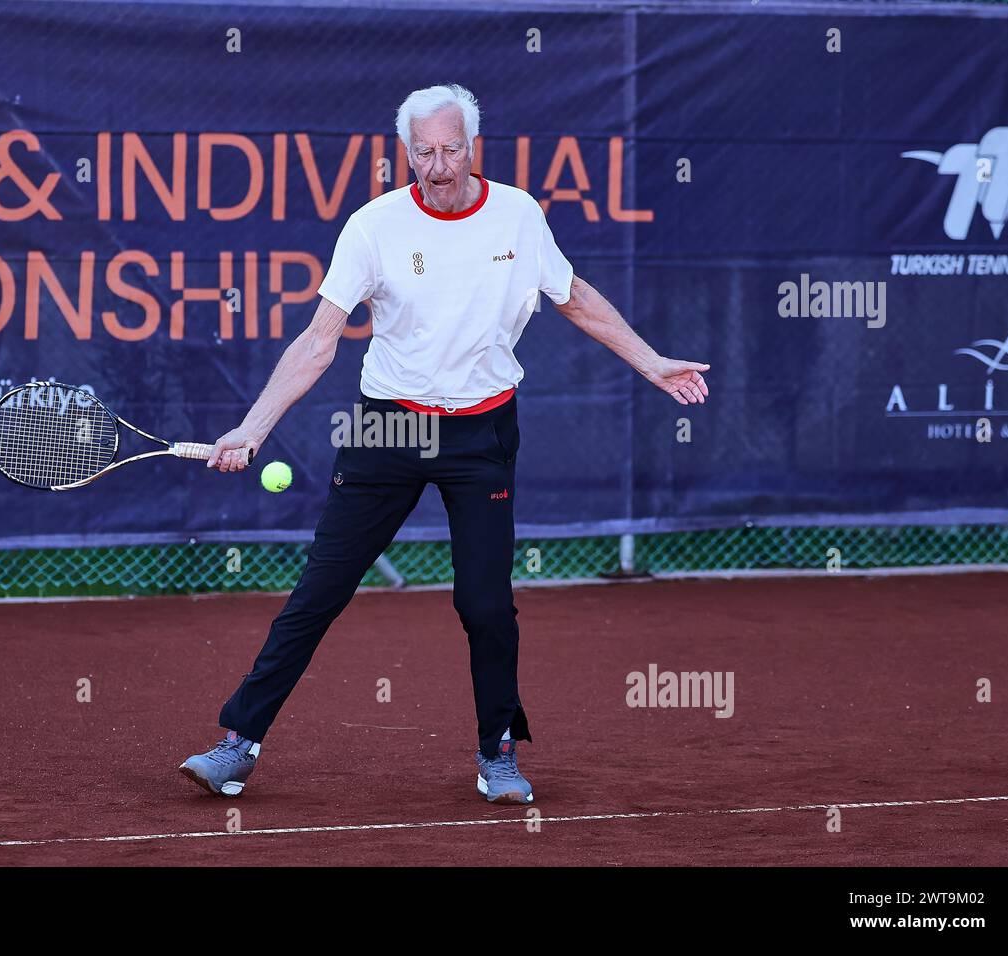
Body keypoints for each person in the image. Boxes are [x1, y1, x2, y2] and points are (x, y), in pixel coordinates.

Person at [180, 83, 709, 803]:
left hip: (480, 430)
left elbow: (575, 296)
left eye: (450, 148)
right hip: (387, 424)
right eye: (423, 151)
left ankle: (498, 753)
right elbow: (318, 341)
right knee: (319, 592)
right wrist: (253, 426)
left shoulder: (518, 215)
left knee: (486, 603)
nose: (438, 164)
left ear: (472, 147)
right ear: (406, 153)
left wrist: (651, 361)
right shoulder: (374, 226)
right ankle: (238, 743)